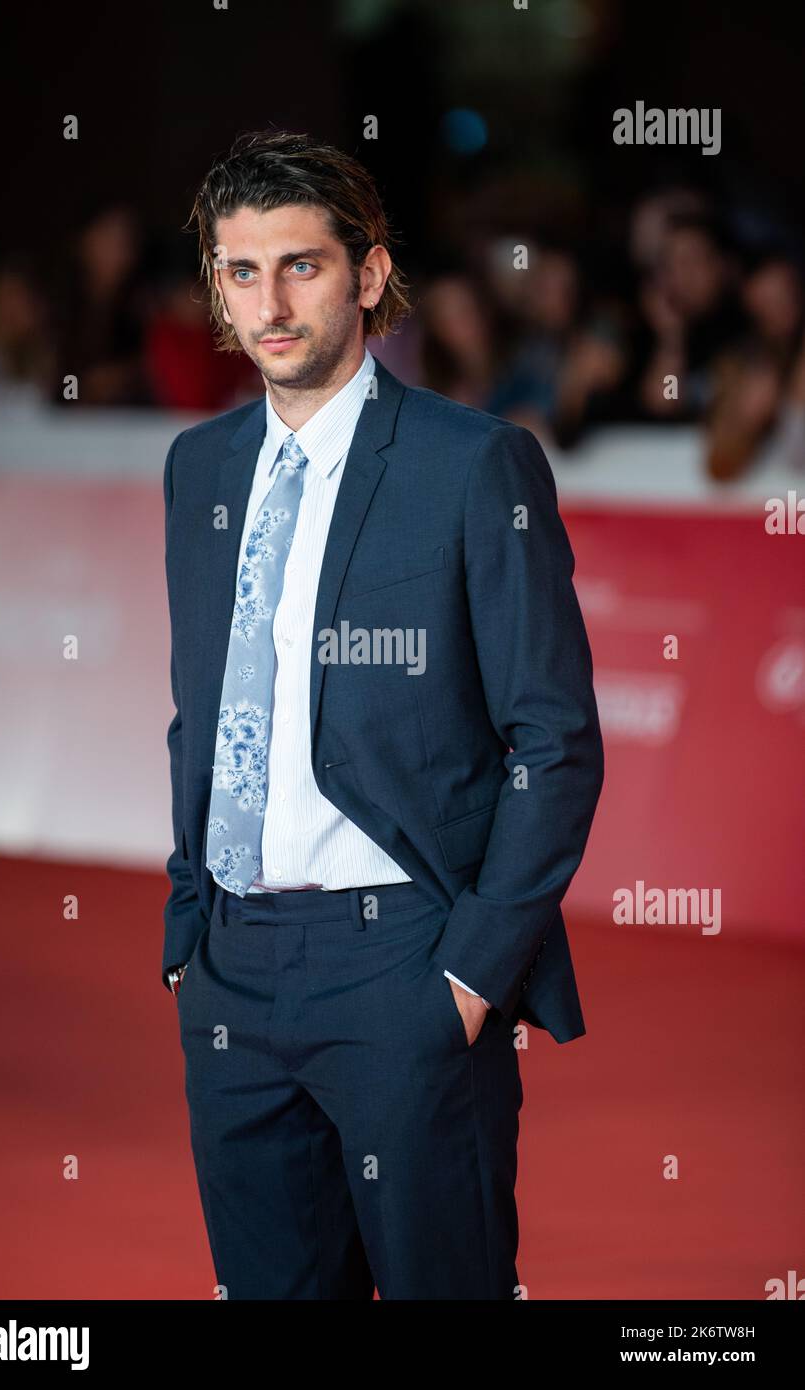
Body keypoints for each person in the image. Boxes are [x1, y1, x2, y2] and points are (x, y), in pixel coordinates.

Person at [162, 130, 604, 1300]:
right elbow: (198, 709)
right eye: (241, 271)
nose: (270, 300)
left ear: (367, 275)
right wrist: (186, 929)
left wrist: (467, 978)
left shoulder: (472, 466)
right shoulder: (197, 470)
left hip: (402, 963)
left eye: (300, 265)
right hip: (231, 976)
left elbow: (553, 740)